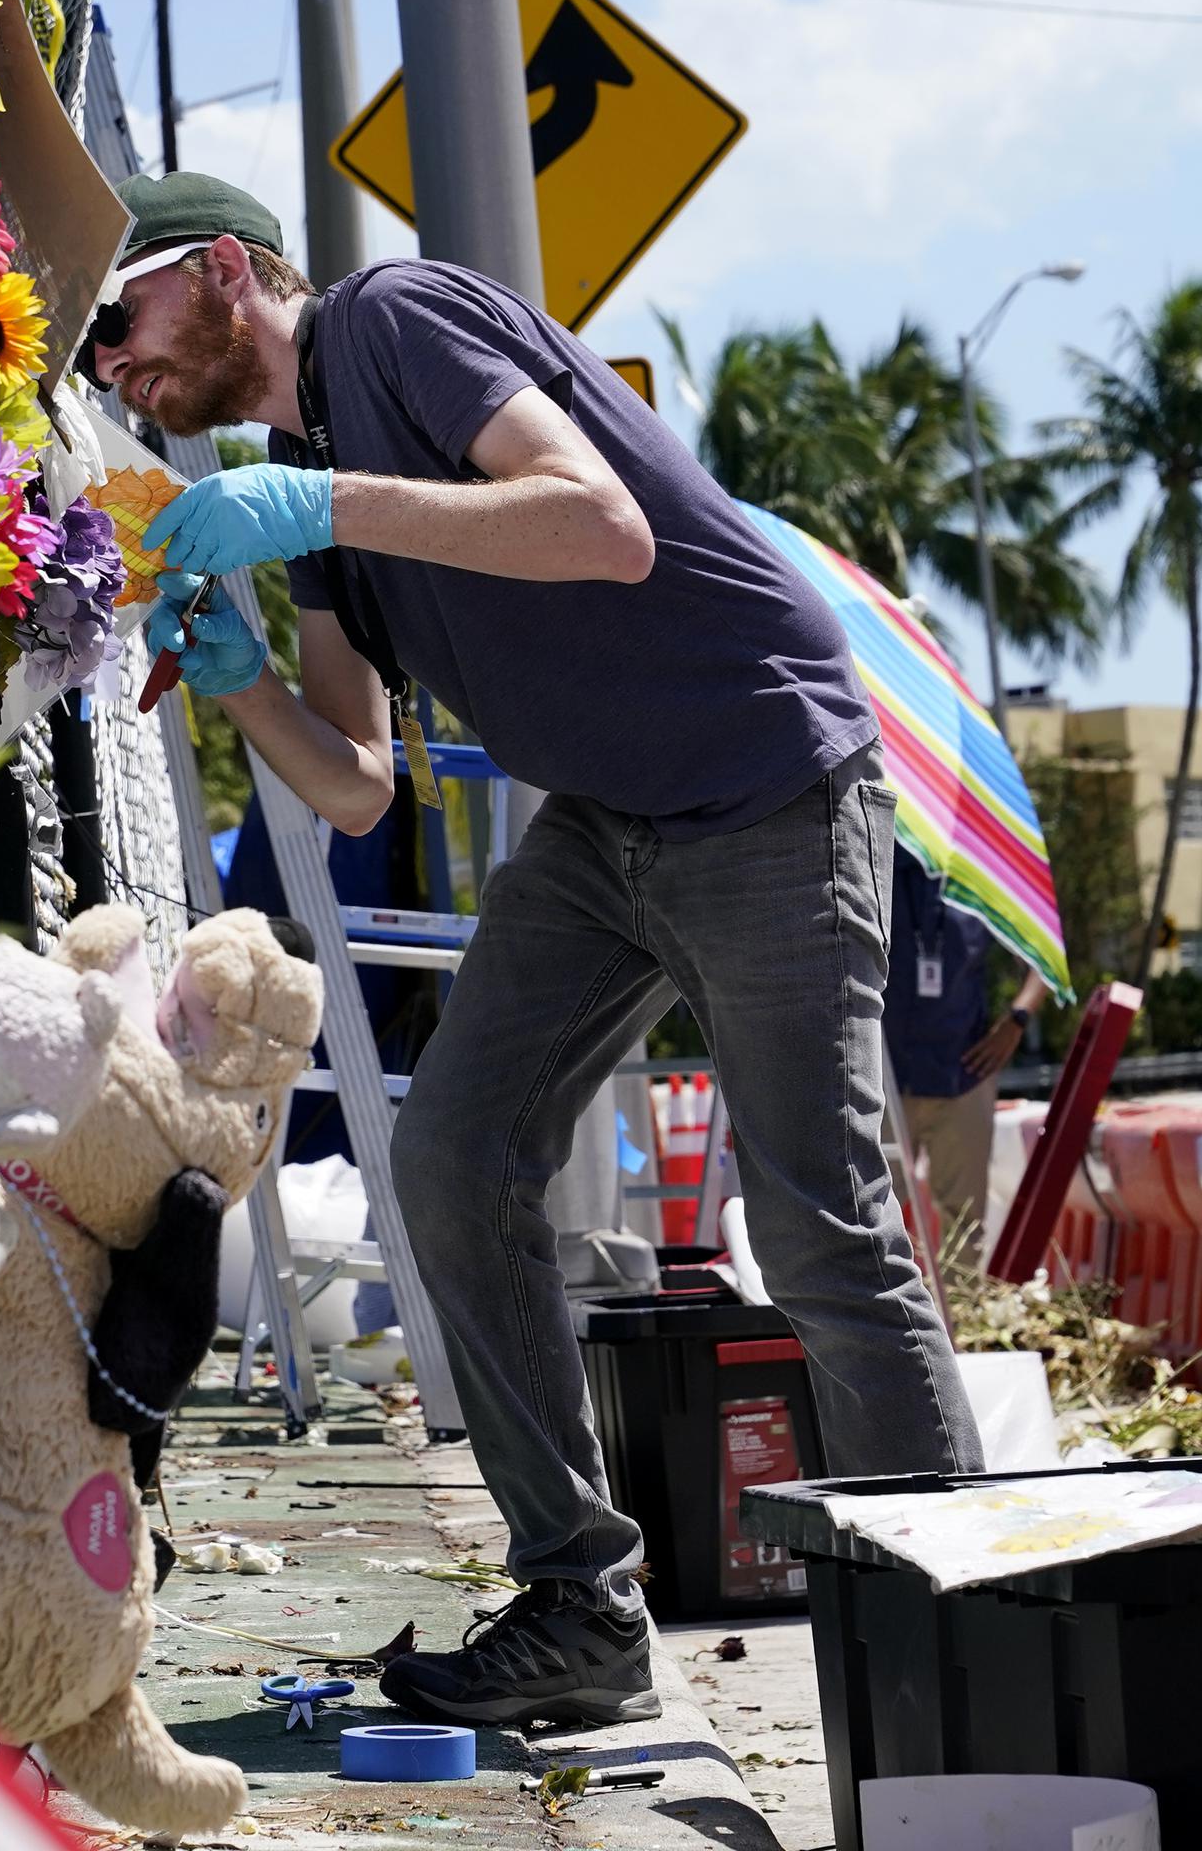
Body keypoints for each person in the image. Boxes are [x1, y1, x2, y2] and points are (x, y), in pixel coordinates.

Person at [84, 172, 981, 1729]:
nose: (111, 365)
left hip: (764, 777)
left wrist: (321, 505)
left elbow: (604, 529)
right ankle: (580, 1602)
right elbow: (358, 778)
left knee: (821, 1226)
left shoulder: (395, 321)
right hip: (608, 823)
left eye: (122, 317)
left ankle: (968, 1646)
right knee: (452, 1153)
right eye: (93, 351)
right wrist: (238, 677)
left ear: (229, 270)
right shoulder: (311, 491)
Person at [883, 848, 1049, 1253]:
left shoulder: (982, 876)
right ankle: (877, 1315)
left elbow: (1042, 955)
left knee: (964, 1223)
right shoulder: (874, 861)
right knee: (870, 1215)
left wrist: (1016, 1022)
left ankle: (960, 1316)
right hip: (883, 1078)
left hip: (963, 1074)